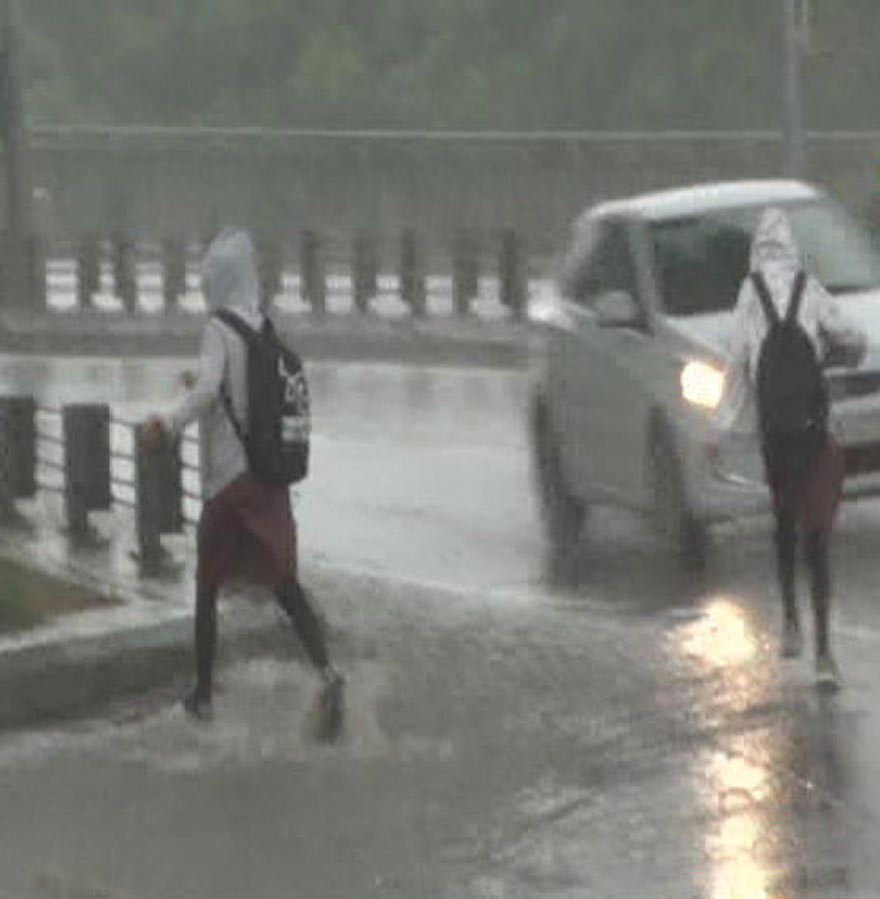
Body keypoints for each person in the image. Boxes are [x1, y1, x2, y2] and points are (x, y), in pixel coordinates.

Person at [143, 228, 344, 735]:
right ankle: (327, 670)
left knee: (207, 588)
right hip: (267, 479)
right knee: (283, 581)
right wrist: (204, 389)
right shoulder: (262, 326)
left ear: (218, 280)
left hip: (229, 483)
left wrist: (165, 423)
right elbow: (240, 393)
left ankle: (204, 697)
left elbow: (211, 390)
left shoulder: (217, 329)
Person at [716, 207, 866, 689]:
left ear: (757, 249)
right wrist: (838, 352)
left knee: (783, 519)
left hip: (774, 432)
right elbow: (851, 336)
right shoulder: (810, 285)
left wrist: (725, 428)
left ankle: (790, 625)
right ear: (791, 245)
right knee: (818, 534)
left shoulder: (749, 294)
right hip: (812, 427)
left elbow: (737, 363)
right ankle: (825, 655)